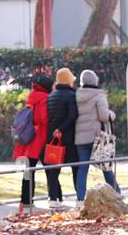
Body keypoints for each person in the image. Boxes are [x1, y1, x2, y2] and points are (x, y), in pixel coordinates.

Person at [74, 69, 119, 198]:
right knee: (105, 166)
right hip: (97, 137)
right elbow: (104, 117)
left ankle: (80, 198)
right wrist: (112, 114)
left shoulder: (76, 95)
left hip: (80, 137)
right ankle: (117, 193)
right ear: (95, 80)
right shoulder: (99, 95)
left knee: (82, 169)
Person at [14, 74, 52, 209]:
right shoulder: (45, 98)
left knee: (28, 170)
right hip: (39, 138)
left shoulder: (32, 96)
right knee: (50, 169)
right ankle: (53, 197)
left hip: (28, 138)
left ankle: (25, 199)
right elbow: (43, 118)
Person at [44, 67, 80, 208]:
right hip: (68, 136)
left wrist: (56, 129)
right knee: (75, 166)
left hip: (52, 135)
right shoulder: (71, 96)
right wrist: (62, 129)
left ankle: (53, 198)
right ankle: (79, 197)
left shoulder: (51, 95)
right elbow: (72, 115)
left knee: (53, 168)